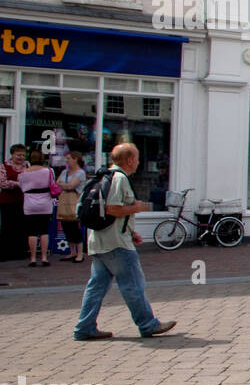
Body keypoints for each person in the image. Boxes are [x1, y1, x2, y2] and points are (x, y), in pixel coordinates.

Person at [73, 143, 176, 340]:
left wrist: (131, 231)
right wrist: (138, 208)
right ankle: (148, 324)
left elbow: (110, 213)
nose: (138, 162)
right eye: (137, 158)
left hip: (99, 241)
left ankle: (84, 327)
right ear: (129, 160)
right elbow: (112, 209)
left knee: (96, 287)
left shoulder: (103, 176)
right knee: (133, 285)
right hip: (117, 244)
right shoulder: (119, 178)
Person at [18, 149, 58, 266]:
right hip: (45, 203)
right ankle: (44, 257)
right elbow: (53, 184)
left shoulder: (23, 173)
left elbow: (22, 187)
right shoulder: (49, 171)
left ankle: (33, 258)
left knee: (32, 232)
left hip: (30, 203)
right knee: (44, 230)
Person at [1, 143, 30, 261]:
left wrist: (13, 183)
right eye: (18, 155)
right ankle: (5, 253)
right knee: (7, 226)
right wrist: (18, 184)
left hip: (23, 201)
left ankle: (20, 252)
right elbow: (2, 183)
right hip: (7, 201)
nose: (21, 157)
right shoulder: (4, 166)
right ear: (12, 154)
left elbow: (30, 181)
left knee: (21, 226)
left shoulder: (27, 165)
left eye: (23, 155)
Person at [57, 150, 87, 262]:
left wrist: (63, 185)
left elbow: (71, 186)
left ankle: (80, 253)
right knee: (66, 226)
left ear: (75, 159)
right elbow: (57, 182)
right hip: (65, 201)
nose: (67, 160)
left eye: (69, 158)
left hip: (75, 201)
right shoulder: (65, 171)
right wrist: (65, 185)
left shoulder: (80, 173)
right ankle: (72, 252)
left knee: (74, 227)